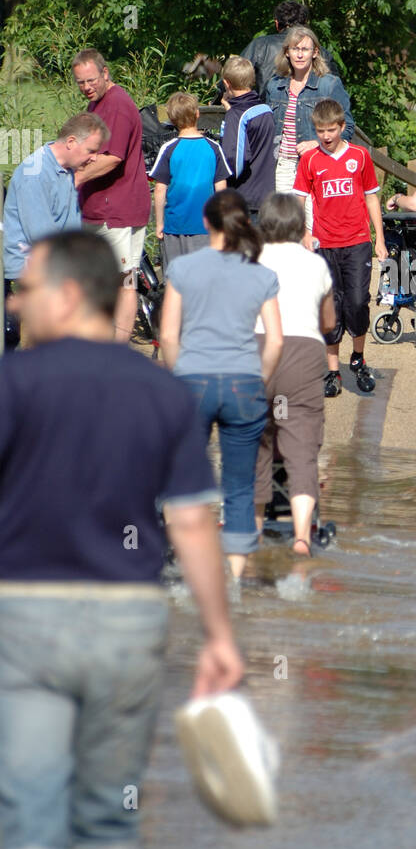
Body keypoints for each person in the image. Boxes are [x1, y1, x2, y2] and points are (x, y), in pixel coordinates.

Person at [0, 230, 243, 849]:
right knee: (109, 823)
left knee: (33, 825)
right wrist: (218, 635)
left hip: (23, 618)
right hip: (128, 621)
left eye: (27, 289)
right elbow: (194, 523)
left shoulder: (12, 382)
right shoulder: (161, 393)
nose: (15, 303)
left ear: (70, 293)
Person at [159, 191, 283, 581]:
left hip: (192, 381)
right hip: (243, 383)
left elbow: (167, 335)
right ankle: (234, 580)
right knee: (240, 487)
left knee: (183, 482)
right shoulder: (261, 273)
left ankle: (181, 565)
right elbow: (276, 340)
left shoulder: (183, 268)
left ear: (206, 222)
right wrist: (257, 379)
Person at [253, 193, 336, 559]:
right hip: (303, 352)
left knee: (255, 442)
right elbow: (330, 323)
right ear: (300, 225)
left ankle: (251, 535)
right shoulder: (315, 263)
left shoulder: (249, 259)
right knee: (301, 444)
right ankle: (302, 536)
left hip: (255, 349)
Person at [292, 98, 388, 397]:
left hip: (358, 241)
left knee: (358, 302)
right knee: (331, 308)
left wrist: (380, 239)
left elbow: (372, 197)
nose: (326, 136)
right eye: (320, 130)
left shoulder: (359, 157)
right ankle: (333, 372)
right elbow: (299, 198)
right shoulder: (309, 160)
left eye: (331, 129)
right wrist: (302, 235)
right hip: (324, 245)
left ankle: (358, 359)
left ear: (343, 127)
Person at [3, 112, 108, 350]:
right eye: (91, 150)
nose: (94, 158)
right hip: (32, 266)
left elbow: (69, 224)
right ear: (71, 142)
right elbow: (42, 237)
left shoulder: (66, 168)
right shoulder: (35, 172)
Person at [72, 48, 152, 342]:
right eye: (80, 82)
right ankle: (114, 347)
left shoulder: (115, 105)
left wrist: (74, 179)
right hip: (118, 208)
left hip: (114, 213)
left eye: (91, 80)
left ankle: (112, 348)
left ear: (105, 73)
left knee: (119, 282)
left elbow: (112, 158)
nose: (87, 87)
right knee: (125, 280)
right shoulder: (98, 103)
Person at [263, 25, 355, 202]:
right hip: (282, 166)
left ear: (315, 52)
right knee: (287, 224)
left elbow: (348, 127)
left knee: (313, 224)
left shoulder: (329, 85)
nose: (299, 55)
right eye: (295, 49)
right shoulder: (274, 85)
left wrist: (318, 142)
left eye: (305, 49)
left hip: (317, 163)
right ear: (287, 52)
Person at [149, 92, 231, 268]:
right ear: (197, 114)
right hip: (206, 226)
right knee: (204, 278)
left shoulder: (169, 149)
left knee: (176, 279)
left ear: (171, 118)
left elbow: (160, 189)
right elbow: (221, 189)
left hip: (174, 226)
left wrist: (159, 223)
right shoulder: (213, 147)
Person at [240, 0, 342, 94]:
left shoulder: (260, 45)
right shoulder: (320, 51)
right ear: (305, 22)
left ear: (277, 23)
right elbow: (336, 91)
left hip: (266, 110)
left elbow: (235, 76)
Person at [219, 55, 276, 220]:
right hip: (266, 195)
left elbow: (234, 162)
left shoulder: (236, 116)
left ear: (226, 83)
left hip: (244, 200)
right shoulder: (265, 109)